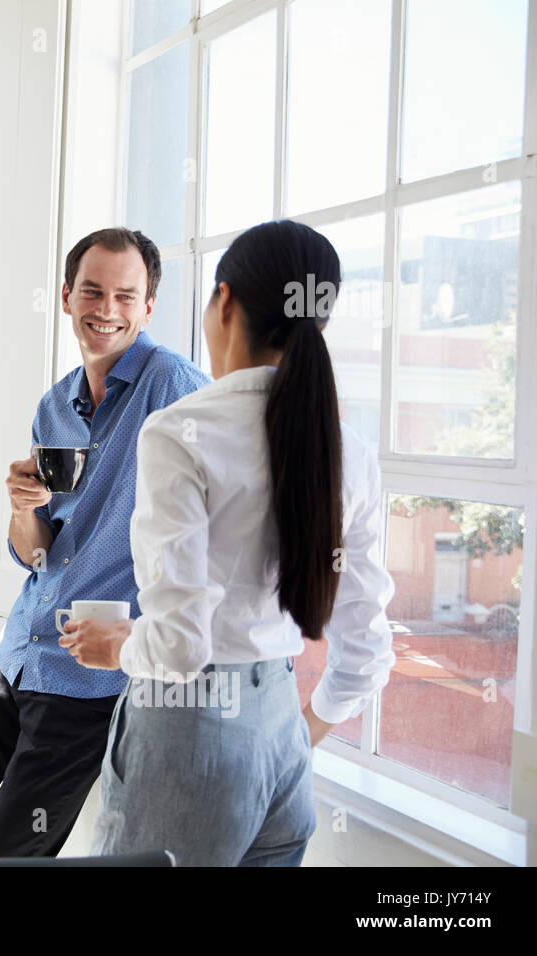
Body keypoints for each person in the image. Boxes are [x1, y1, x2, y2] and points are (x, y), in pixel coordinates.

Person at [60, 219, 396, 866]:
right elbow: (365, 650)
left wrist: (118, 645)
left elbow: (179, 646)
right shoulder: (348, 449)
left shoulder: (180, 432)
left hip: (188, 732)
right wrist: (289, 731)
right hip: (279, 735)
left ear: (225, 303)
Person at [0, 228, 209, 858]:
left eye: (127, 295)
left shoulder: (176, 389)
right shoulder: (55, 406)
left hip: (87, 675)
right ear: (67, 297)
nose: (107, 309)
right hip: (19, 653)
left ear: (149, 306)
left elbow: (223, 521)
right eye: (92, 291)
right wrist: (22, 508)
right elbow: (39, 551)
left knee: (4, 854)